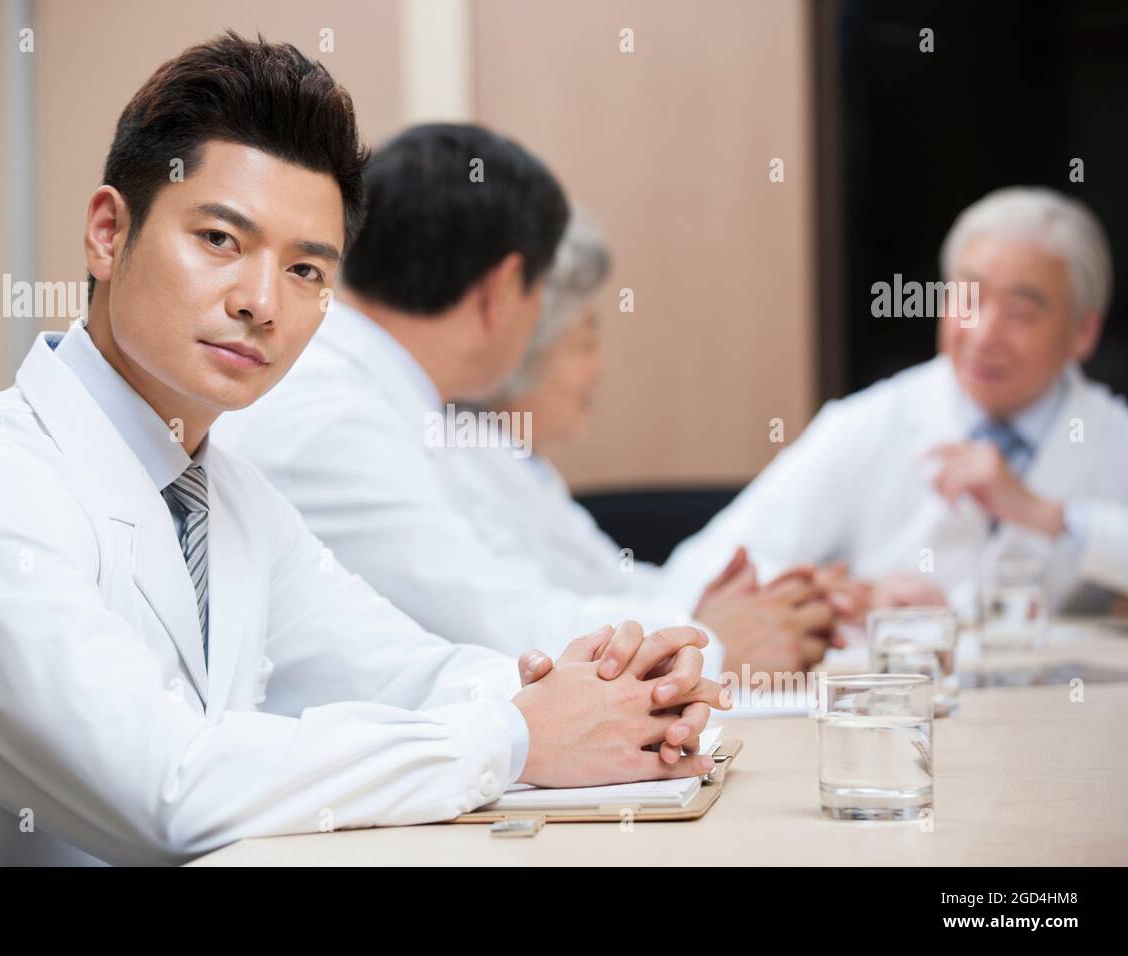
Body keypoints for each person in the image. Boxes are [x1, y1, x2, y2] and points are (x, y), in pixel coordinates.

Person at [0, 33, 724, 867]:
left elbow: (413, 672)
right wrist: (522, 735)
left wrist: (618, 698)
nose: (263, 301)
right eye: (220, 240)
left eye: (306, 270)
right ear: (109, 232)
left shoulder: (234, 500)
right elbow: (170, 790)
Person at [214, 123, 839, 678]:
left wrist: (728, 621)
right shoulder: (332, 414)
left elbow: (536, 595)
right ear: (502, 290)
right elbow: (494, 628)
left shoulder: (387, 396)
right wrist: (711, 641)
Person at [662, 187, 1128, 615]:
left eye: (1020, 313)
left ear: (1083, 332)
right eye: (967, 298)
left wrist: (1045, 515)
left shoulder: (1112, 434)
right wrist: (849, 594)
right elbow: (699, 567)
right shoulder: (870, 422)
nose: (983, 335)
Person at [443, 206, 844, 674]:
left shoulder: (521, 467)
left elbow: (627, 589)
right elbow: (529, 629)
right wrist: (712, 634)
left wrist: (783, 598)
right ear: (524, 343)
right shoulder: (459, 466)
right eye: (586, 343)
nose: (601, 368)